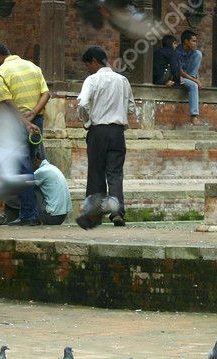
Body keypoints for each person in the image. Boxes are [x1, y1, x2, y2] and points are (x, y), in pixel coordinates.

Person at [0, 42, 50, 226]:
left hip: (19, 123)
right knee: (28, 165)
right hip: (37, 121)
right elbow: (46, 94)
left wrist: (24, 121)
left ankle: (29, 215)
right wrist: (33, 114)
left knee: (22, 169)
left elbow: (7, 101)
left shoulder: (1, 71)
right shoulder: (33, 66)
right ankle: (28, 213)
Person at [78, 46, 136, 228]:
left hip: (98, 131)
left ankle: (94, 215)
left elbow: (83, 104)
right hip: (117, 132)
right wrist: (118, 112)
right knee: (115, 174)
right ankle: (117, 213)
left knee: (96, 173)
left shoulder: (92, 80)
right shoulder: (122, 80)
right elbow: (131, 108)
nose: (88, 69)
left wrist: (87, 121)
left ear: (94, 62)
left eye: (88, 65)